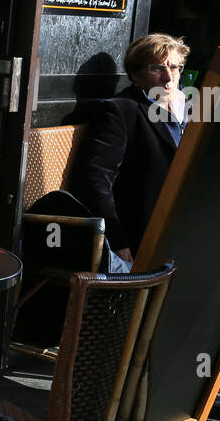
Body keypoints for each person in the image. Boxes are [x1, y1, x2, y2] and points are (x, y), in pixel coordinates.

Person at [70, 33, 190, 270]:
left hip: (186, 230)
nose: (168, 77)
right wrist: (117, 241)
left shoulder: (189, 106)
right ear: (136, 74)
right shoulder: (120, 111)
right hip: (143, 238)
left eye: (175, 68)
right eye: (157, 68)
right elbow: (95, 179)